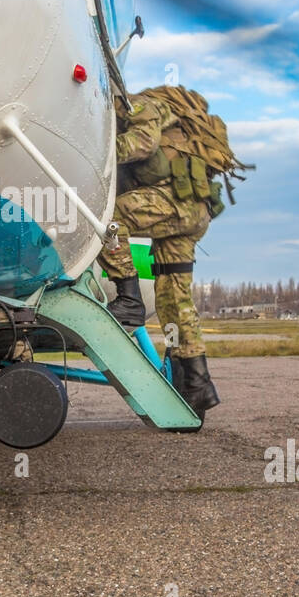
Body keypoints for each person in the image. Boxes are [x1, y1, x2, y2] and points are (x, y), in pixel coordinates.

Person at [99, 90, 219, 418]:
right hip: (190, 212)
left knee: (108, 218)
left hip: (174, 203)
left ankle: (129, 298)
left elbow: (143, 144)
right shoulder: (169, 116)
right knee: (173, 301)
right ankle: (197, 386)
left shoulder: (138, 105)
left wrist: (97, 152)